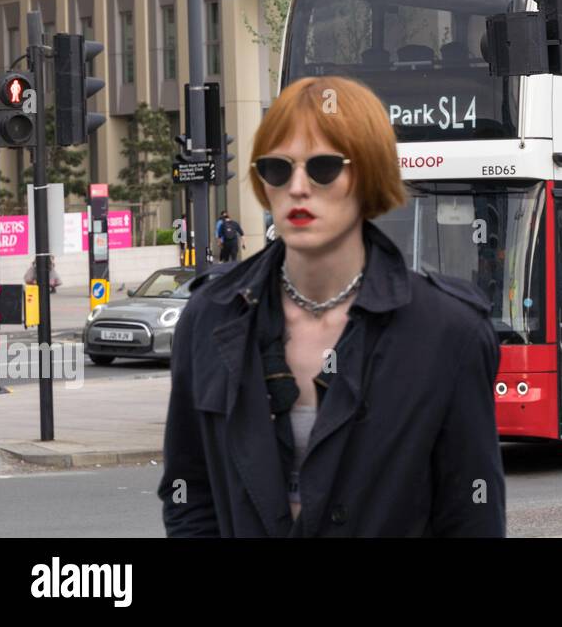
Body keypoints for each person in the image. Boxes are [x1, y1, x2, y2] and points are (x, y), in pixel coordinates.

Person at [158, 75, 505, 537]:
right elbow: (188, 490)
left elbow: (470, 515)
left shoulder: (448, 332)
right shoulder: (210, 316)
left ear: (368, 175)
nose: (298, 187)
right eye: (278, 169)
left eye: (323, 168)